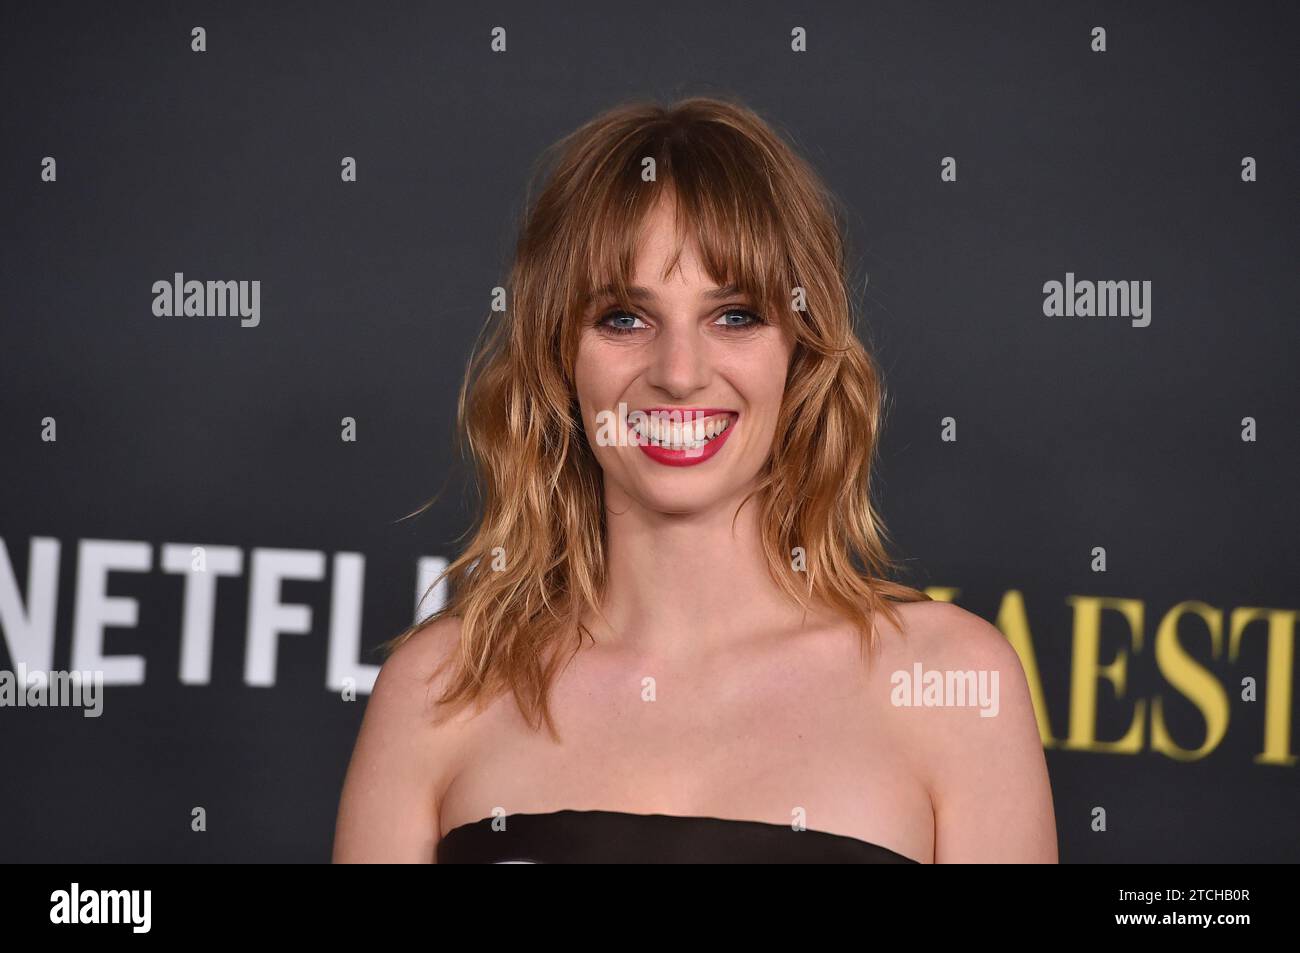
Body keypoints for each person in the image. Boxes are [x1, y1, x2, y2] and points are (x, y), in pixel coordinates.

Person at [333, 96, 1058, 863]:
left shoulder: (953, 684)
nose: (679, 374)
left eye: (736, 315)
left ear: (801, 356)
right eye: (623, 317)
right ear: (558, 358)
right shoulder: (439, 691)